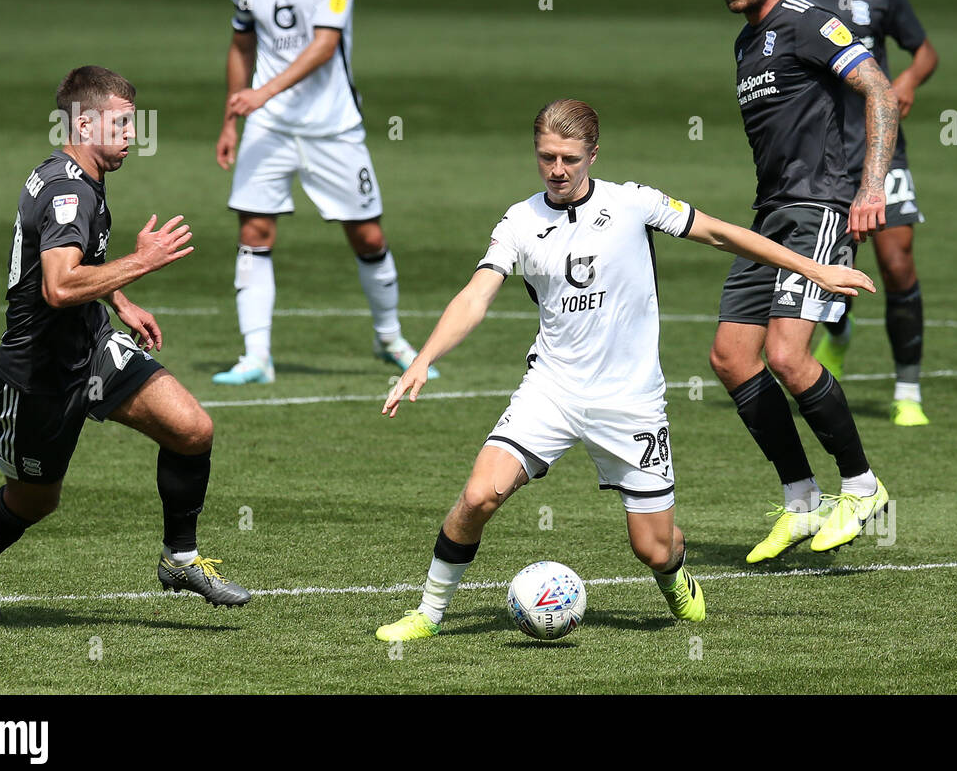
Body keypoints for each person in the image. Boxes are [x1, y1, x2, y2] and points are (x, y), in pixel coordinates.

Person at [374, 99, 875, 641]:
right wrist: (423, 359)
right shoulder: (520, 221)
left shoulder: (635, 203)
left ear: (593, 153)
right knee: (478, 496)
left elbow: (722, 234)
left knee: (653, 548)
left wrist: (813, 268)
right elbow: (477, 294)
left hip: (631, 402)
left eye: (568, 158)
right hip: (552, 391)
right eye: (546, 157)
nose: (557, 170)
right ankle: (427, 613)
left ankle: (674, 574)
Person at [0, 66, 250, 619]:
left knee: (192, 428)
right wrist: (142, 262)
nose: (133, 134)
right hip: (36, 375)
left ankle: (180, 556)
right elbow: (59, 287)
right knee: (35, 500)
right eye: (122, 123)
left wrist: (122, 301)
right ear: (85, 122)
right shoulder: (67, 192)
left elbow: (79, 264)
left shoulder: (77, 177)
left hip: (93, 348)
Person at [710, 0, 900, 563]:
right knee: (732, 357)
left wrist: (870, 187)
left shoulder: (809, 20)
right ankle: (801, 502)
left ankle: (863, 486)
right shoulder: (747, 42)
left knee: (789, 356)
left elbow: (880, 90)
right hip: (769, 218)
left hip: (818, 208)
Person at [213, 0, 433, 385]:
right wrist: (231, 118)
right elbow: (242, 45)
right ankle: (256, 357)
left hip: (332, 125)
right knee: (254, 230)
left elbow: (325, 44)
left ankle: (390, 338)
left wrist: (262, 93)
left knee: (368, 235)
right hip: (268, 128)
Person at [785, 0, 939, 426]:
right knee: (830, 273)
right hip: (820, 162)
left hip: (882, 151)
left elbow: (924, 50)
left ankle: (908, 391)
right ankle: (840, 333)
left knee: (896, 264)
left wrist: (908, 81)